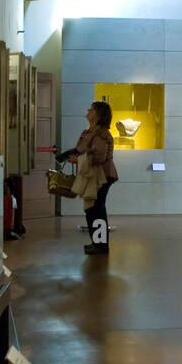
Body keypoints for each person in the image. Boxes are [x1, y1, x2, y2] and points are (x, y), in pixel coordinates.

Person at [57, 100, 118, 254]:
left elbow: (99, 157)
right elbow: (82, 149)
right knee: (92, 209)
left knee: (97, 210)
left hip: (102, 176)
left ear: (98, 115)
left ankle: (101, 245)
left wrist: (77, 159)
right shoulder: (90, 131)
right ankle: (96, 242)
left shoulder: (101, 133)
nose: (88, 111)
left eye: (91, 110)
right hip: (94, 176)